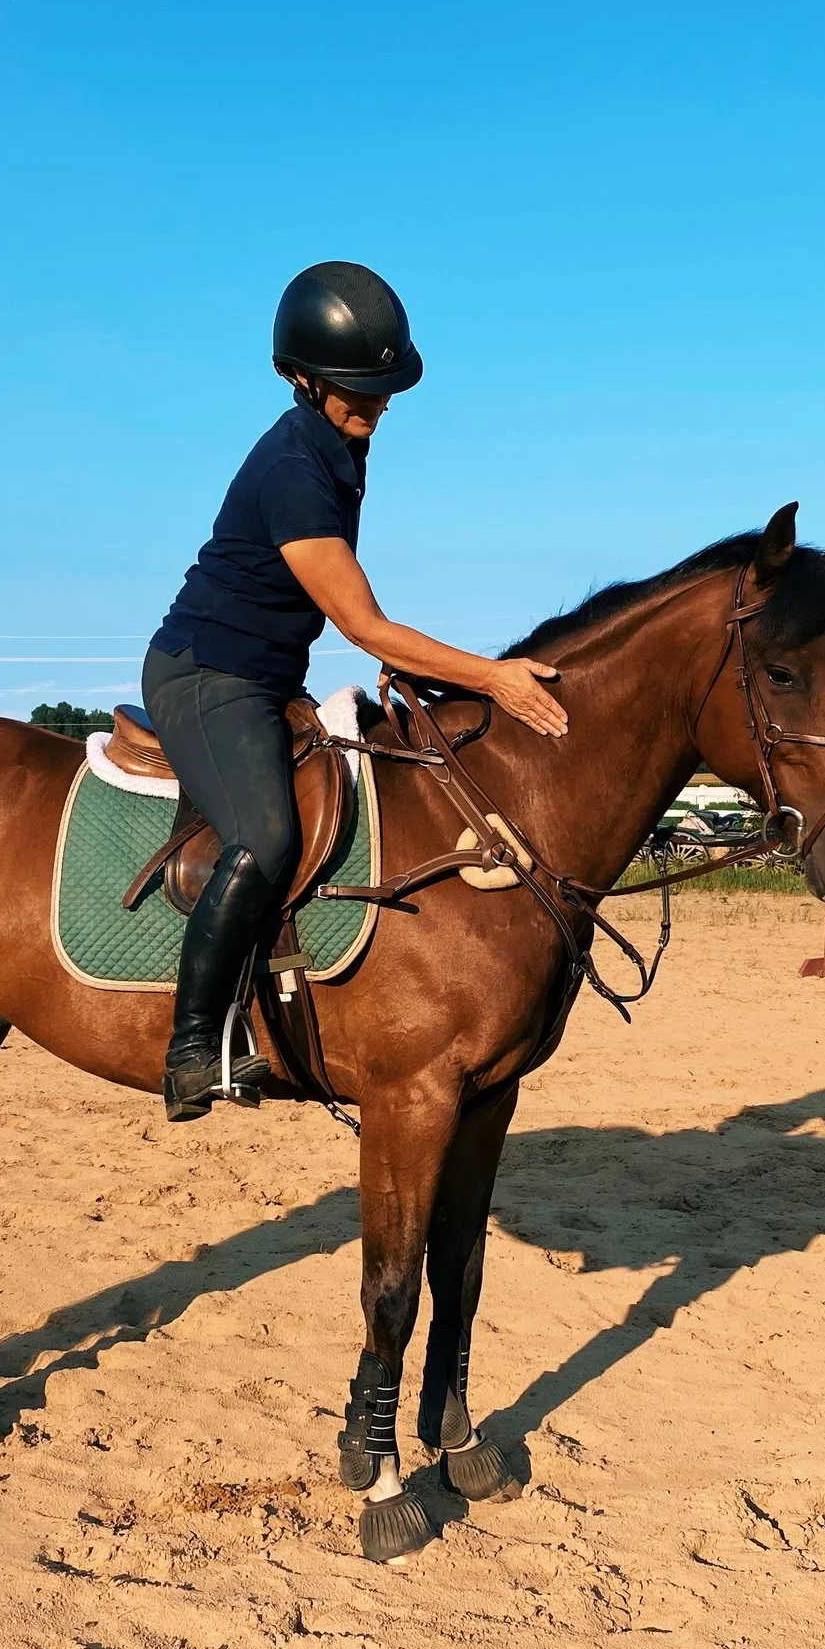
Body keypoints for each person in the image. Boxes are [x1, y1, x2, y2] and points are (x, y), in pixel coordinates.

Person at [142, 261, 570, 1122]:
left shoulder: (342, 451)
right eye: (356, 388)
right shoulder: (292, 466)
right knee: (265, 836)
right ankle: (192, 1047)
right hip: (207, 673)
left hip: (271, 678)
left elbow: (350, 612)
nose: (375, 404)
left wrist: (409, 659)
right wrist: (492, 675)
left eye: (383, 389)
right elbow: (362, 621)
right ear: (304, 378)